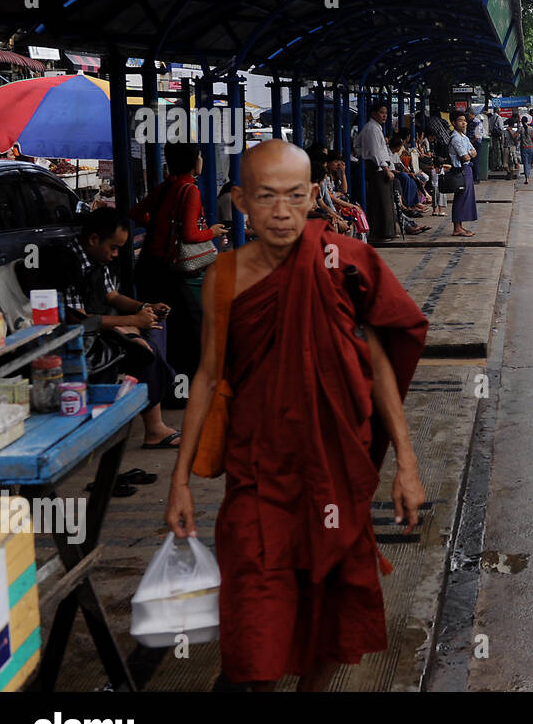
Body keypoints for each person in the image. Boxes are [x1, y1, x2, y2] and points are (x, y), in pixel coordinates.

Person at [164, 140, 428, 690]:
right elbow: (208, 376)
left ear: (313, 196)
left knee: (333, 605)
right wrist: (179, 480)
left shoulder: (341, 262)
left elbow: (380, 363)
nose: (281, 213)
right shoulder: (226, 275)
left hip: (334, 471)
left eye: (293, 197)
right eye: (265, 198)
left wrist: (406, 462)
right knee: (252, 641)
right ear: (240, 201)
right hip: (259, 480)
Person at [46, 208, 180, 450]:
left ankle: (155, 409)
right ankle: (154, 429)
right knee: (142, 350)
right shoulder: (69, 264)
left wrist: (145, 308)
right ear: (94, 239)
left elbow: (113, 296)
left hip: (97, 327)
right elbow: (80, 321)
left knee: (156, 325)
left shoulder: (97, 257)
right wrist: (132, 322)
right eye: (113, 247)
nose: (116, 254)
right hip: (75, 338)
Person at [129, 141, 229, 379]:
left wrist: (160, 228)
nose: (202, 160)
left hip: (150, 266)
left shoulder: (167, 186)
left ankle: (165, 377)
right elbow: (189, 235)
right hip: (175, 270)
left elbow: (136, 212)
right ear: (194, 162)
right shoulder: (189, 189)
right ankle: (188, 380)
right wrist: (212, 232)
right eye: (200, 156)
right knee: (191, 326)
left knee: (163, 327)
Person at [355, 103, 396, 242]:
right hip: (378, 169)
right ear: (373, 113)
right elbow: (375, 152)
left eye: (385, 112)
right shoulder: (371, 129)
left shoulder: (374, 128)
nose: (384, 115)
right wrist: (386, 169)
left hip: (379, 167)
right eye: (381, 112)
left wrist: (362, 153)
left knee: (383, 200)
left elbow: (358, 145)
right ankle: (382, 232)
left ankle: (385, 231)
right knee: (381, 202)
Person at [448, 112, 478, 238]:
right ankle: (457, 228)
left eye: (465, 120)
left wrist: (469, 154)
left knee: (466, 197)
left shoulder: (464, 137)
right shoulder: (455, 138)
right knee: (460, 197)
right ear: (454, 123)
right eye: (460, 120)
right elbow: (465, 156)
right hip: (460, 170)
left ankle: (460, 226)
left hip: (467, 169)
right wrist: (469, 154)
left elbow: (474, 152)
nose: (464, 123)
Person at [516, 117, 533, 184]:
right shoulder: (531, 128)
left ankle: (527, 178)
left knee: (525, 163)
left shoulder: (521, 129)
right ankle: (528, 176)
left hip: (524, 148)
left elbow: (515, 136)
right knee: (529, 163)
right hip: (531, 147)